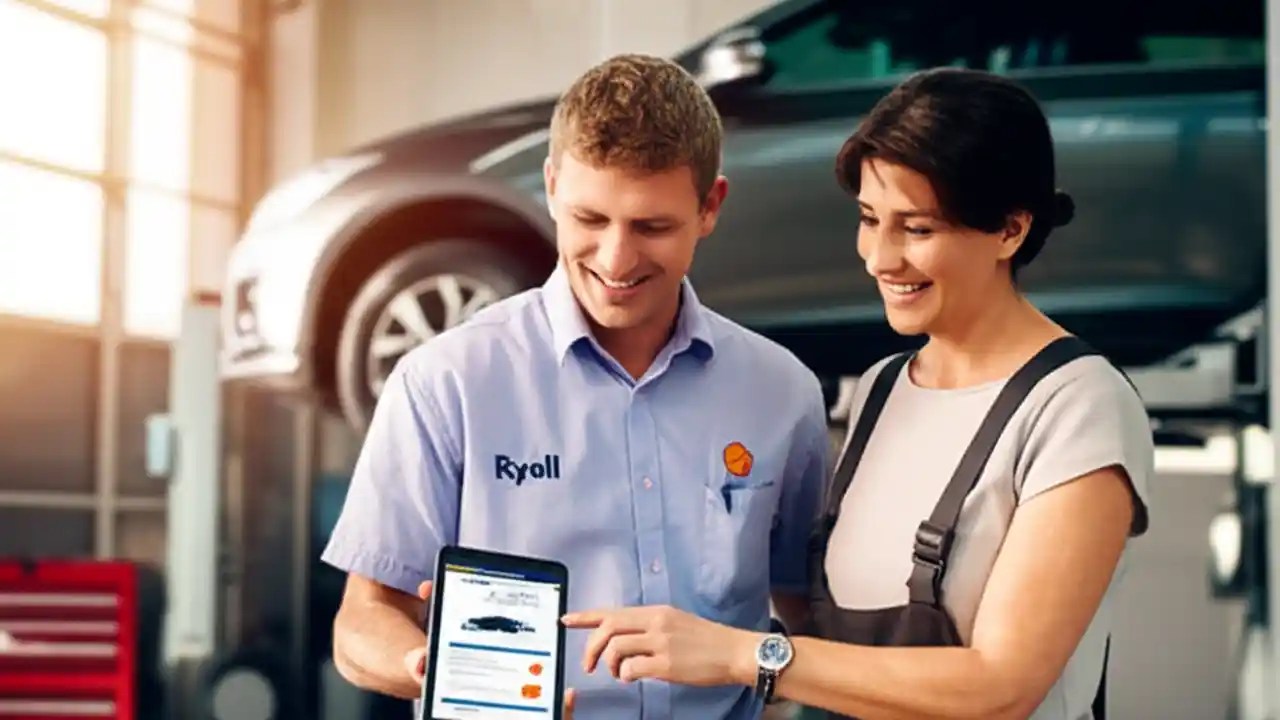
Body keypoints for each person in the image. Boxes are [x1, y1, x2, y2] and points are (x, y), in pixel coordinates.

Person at [562, 67, 1154, 720]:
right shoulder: (879, 391)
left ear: (1010, 229)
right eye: (871, 219)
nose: (879, 257)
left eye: (918, 229)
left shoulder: (1079, 408)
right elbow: (832, 654)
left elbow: (1001, 687)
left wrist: (741, 655)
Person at [320, 53, 830, 720]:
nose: (616, 260)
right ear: (553, 186)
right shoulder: (444, 384)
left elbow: (805, 617)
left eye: (652, 226)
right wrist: (434, 669)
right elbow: (362, 622)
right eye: (590, 220)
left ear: (711, 206)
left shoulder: (782, 393)